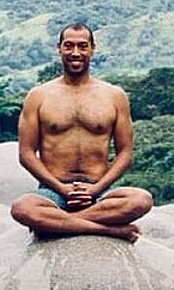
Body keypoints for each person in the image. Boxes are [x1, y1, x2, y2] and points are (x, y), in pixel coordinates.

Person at [10, 22, 153, 242]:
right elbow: (26, 153)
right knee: (22, 208)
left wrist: (95, 189)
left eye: (82, 46)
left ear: (92, 49)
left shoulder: (114, 96)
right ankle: (107, 230)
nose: (75, 53)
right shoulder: (38, 96)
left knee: (141, 199)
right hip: (53, 191)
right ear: (59, 49)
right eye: (68, 46)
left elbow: (125, 153)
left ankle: (56, 224)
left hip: (99, 190)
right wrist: (62, 189)